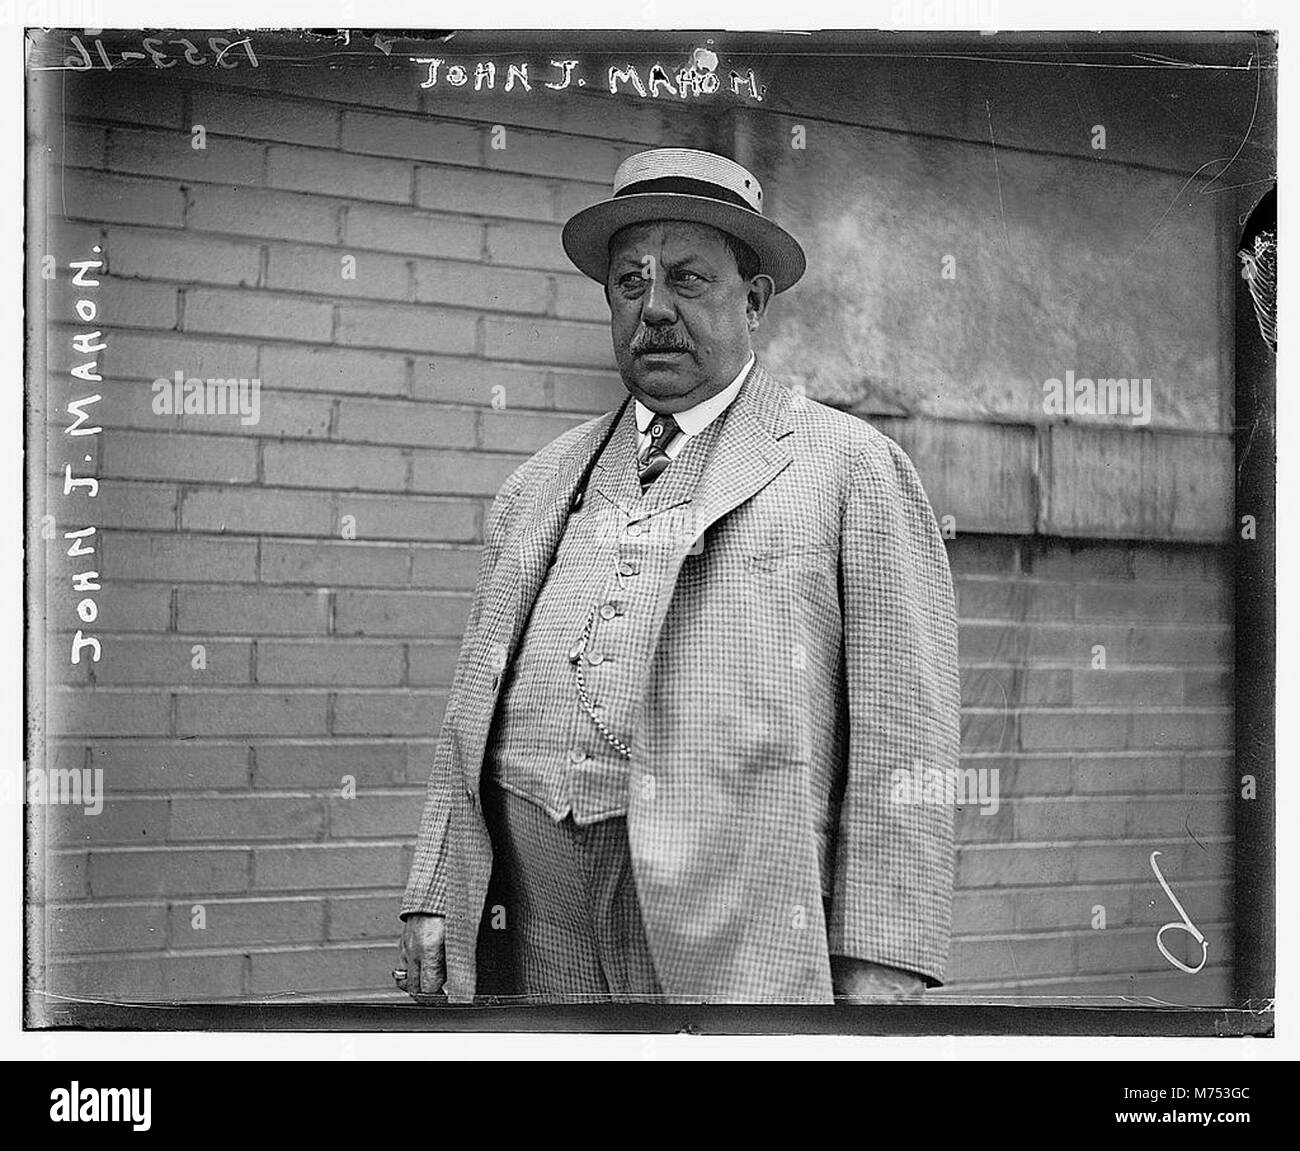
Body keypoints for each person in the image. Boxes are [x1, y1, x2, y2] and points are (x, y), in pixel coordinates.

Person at [394, 147, 959, 1004]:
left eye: (688, 279)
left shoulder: (854, 470)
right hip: (537, 923)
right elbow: (469, 706)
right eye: (630, 282)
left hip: (735, 927)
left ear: (755, 300)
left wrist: (884, 954)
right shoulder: (540, 482)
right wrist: (438, 886)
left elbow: (905, 738)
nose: (652, 307)